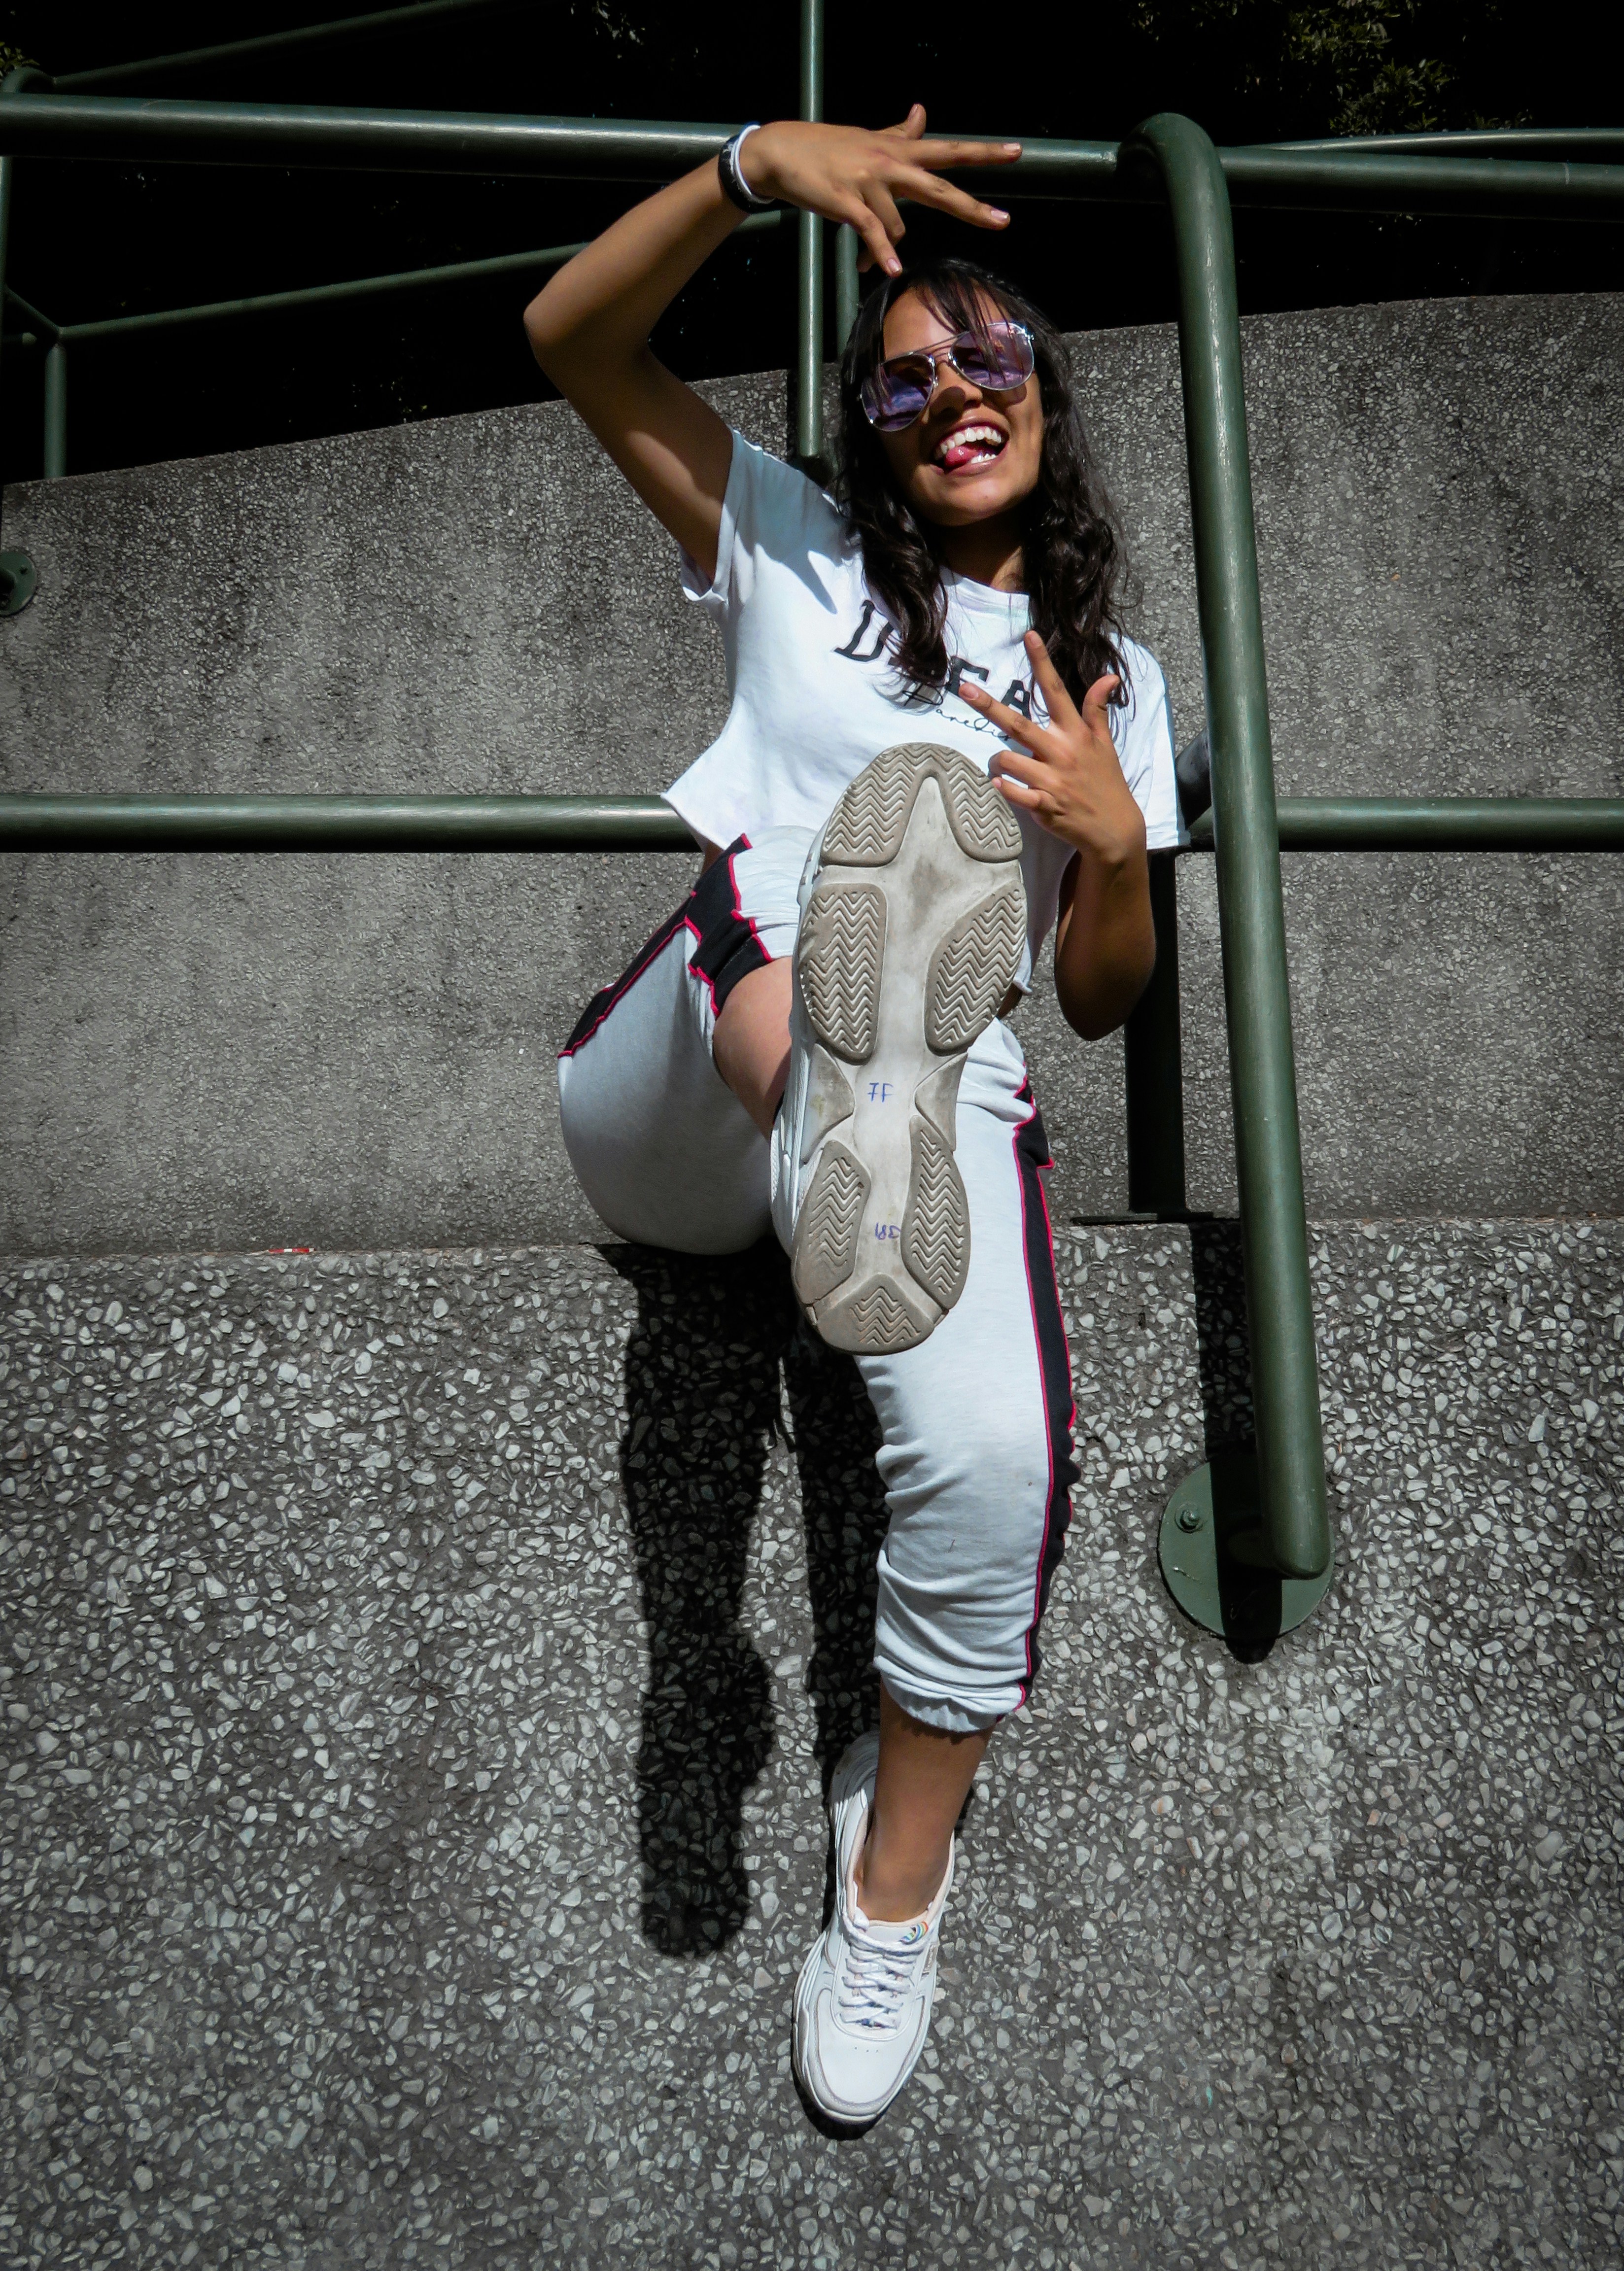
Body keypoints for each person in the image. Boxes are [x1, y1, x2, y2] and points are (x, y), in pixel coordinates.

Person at [525, 105, 1181, 2128]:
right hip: (687, 1090)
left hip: (952, 1086)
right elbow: (571, 336)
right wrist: (742, 175)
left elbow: (1094, 1001)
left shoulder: (1119, 685)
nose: (947, 397)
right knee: (782, 912)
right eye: (902, 376)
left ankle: (888, 1888)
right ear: (866, 426)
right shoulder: (795, 541)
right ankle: (835, 1096)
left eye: (985, 362)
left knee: (992, 1456)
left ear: (1046, 396)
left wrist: (1120, 849)